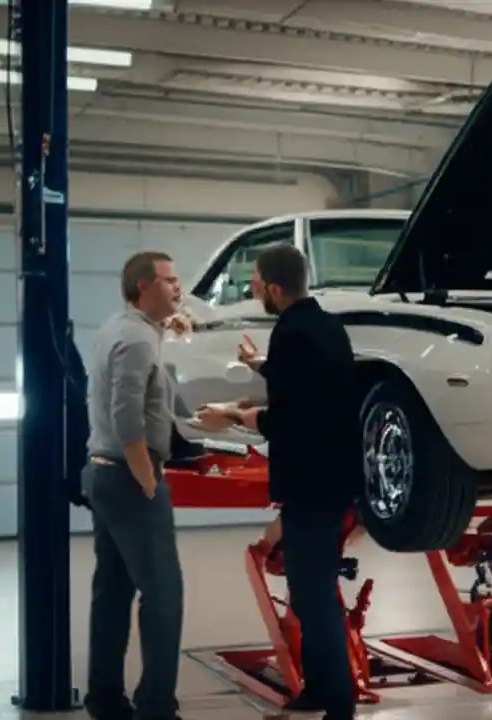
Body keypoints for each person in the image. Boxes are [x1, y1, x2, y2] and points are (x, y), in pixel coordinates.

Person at [194, 244, 360, 720]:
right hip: (332, 479)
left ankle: (339, 702)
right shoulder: (325, 327)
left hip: (311, 484)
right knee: (310, 595)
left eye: (255, 282)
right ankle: (318, 688)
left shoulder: (291, 333)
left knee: (313, 596)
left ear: (273, 287)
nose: (250, 289)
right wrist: (259, 366)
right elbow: (312, 384)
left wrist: (232, 416)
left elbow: (289, 417)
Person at [81, 250, 185, 720]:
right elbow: (127, 419)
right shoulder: (139, 341)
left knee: (113, 592)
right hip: (128, 478)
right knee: (163, 596)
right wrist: (147, 481)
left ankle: (104, 697)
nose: (178, 287)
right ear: (143, 286)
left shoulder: (120, 328)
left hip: (102, 474)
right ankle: (156, 706)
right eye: (169, 280)